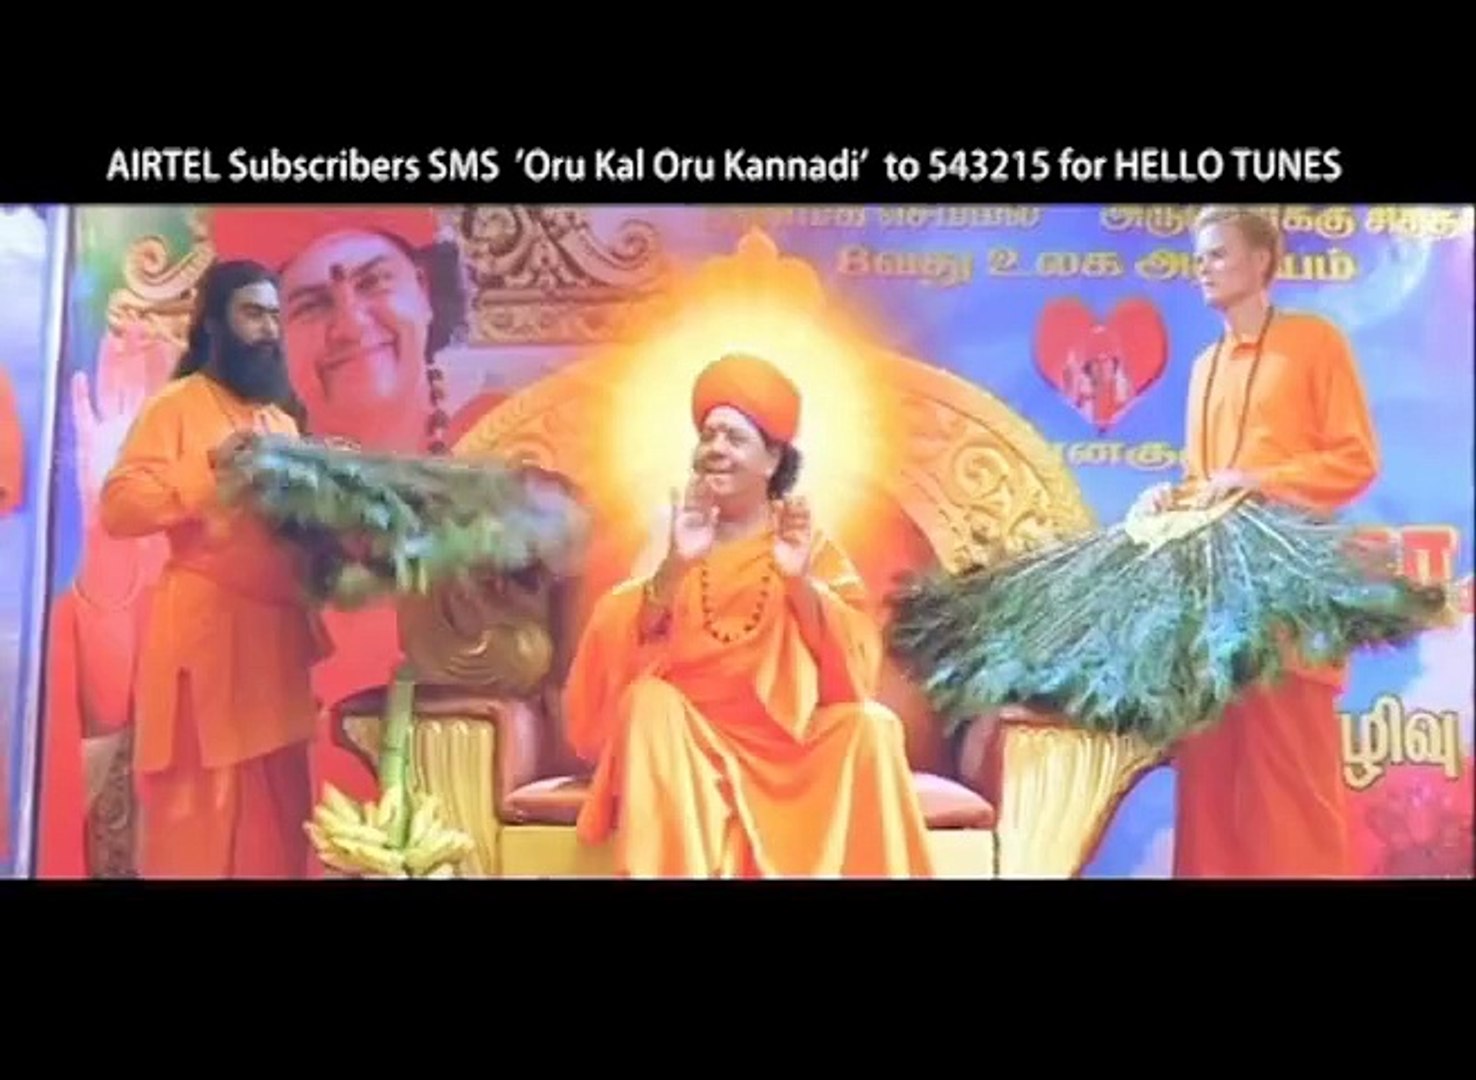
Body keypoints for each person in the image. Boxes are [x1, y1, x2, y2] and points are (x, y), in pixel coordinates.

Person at [563, 352, 935, 878]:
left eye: (734, 438)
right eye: (708, 436)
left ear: (772, 459)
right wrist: (676, 565)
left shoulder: (806, 543)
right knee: (649, 701)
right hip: (688, 738)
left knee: (871, 727)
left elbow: (852, 674)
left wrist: (798, 581)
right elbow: (620, 641)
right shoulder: (671, 534)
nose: (716, 449)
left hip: (788, 742)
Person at [1131, 205, 1379, 878]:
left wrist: (1261, 482)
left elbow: (1355, 459)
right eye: (1198, 257)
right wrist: (1170, 498)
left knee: (1291, 787)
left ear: (1261, 260)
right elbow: (1204, 480)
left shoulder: (1314, 342)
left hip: (1287, 605)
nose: (1202, 268)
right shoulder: (1203, 366)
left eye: (1217, 254)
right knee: (1210, 790)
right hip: (1213, 612)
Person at [97, 259, 330, 878]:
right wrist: (210, 468)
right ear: (214, 325)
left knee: (279, 838)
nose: (269, 329)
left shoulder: (281, 423)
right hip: (207, 655)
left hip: (274, 658)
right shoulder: (176, 406)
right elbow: (120, 507)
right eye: (252, 313)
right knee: (200, 835)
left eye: (275, 315)